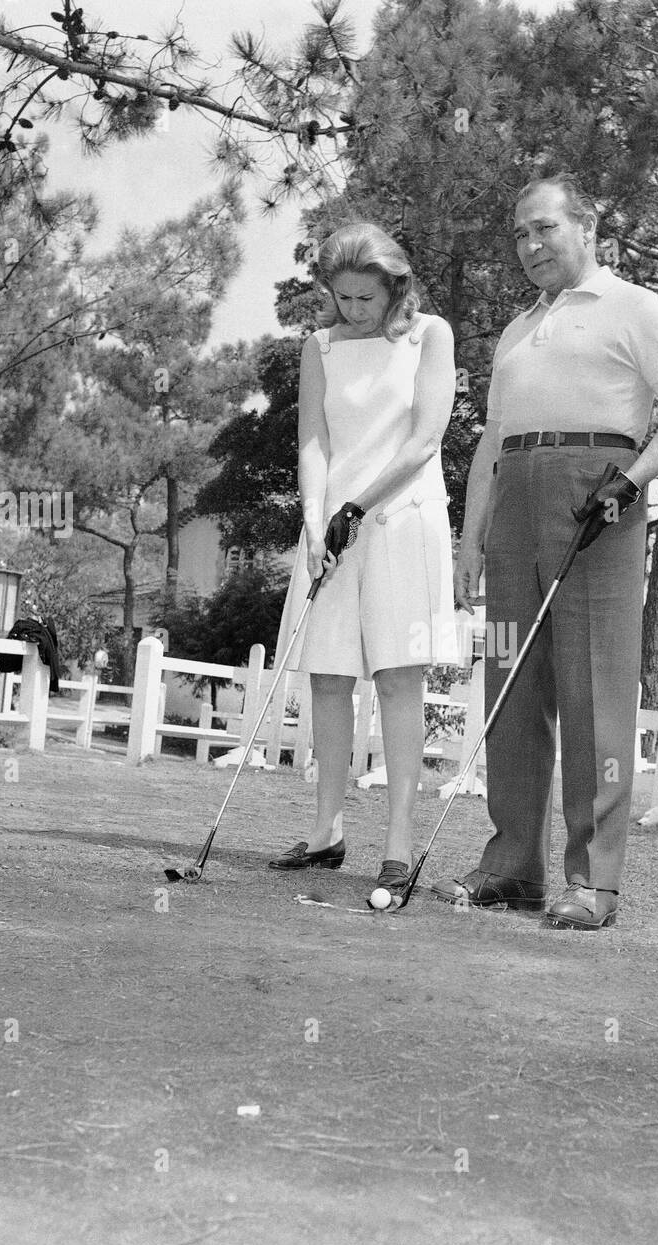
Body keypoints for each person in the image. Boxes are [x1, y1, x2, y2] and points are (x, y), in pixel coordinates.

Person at [431, 174, 658, 930]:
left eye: (544, 229)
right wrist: (470, 542)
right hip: (514, 499)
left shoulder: (635, 307)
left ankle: (592, 880)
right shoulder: (517, 330)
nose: (530, 246)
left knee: (595, 691)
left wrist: (632, 479)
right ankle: (510, 864)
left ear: (588, 227)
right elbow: (491, 442)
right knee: (508, 681)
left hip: (599, 494)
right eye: (520, 234)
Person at [268, 222, 458, 905]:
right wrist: (317, 516)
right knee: (326, 675)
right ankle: (326, 832)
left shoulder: (430, 336)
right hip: (334, 530)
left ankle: (399, 847)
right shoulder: (319, 346)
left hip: (402, 518)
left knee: (398, 676)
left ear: (396, 289)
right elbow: (314, 437)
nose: (353, 310)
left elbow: (424, 438)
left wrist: (359, 505)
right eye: (342, 297)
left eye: (366, 298)